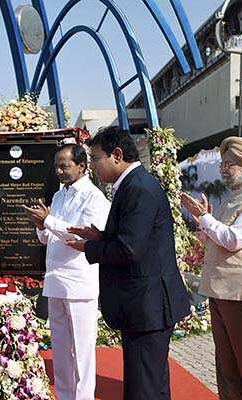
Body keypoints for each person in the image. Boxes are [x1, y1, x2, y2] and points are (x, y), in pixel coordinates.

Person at [66, 129, 190, 400]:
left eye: (96, 159)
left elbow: (128, 249)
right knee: (152, 385)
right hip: (144, 305)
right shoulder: (133, 184)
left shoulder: (138, 188)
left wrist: (90, 247)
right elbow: (134, 238)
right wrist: (99, 236)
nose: (93, 166)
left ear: (117, 155)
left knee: (143, 389)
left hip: (148, 306)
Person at [181, 136, 242, 400]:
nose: (223, 169)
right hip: (221, 290)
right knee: (226, 368)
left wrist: (205, 218)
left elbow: (234, 239)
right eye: (223, 164)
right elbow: (217, 239)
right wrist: (204, 225)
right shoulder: (232, 199)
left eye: (230, 164)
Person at [24, 144, 110, 400]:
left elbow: (82, 234)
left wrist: (48, 221)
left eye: (65, 165)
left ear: (82, 166)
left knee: (83, 352)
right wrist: (41, 226)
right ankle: (64, 395)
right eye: (57, 166)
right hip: (56, 280)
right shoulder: (59, 196)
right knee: (60, 349)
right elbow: (48, 238)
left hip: (79, 282)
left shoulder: (95, 198)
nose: (59, 170)